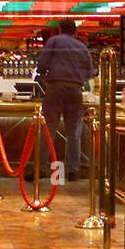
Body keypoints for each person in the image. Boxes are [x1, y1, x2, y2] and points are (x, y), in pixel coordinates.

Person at [35, 18, 94, 180]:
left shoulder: (54, 41)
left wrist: (44, 76)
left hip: (55, 87)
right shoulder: (82, 47)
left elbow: (42, 64)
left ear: (60, 29)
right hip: (75, 89)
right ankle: (73, 170)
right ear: (75, 31)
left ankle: (41, 168)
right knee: (74, 130)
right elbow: (89, 73)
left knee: (48, 128)